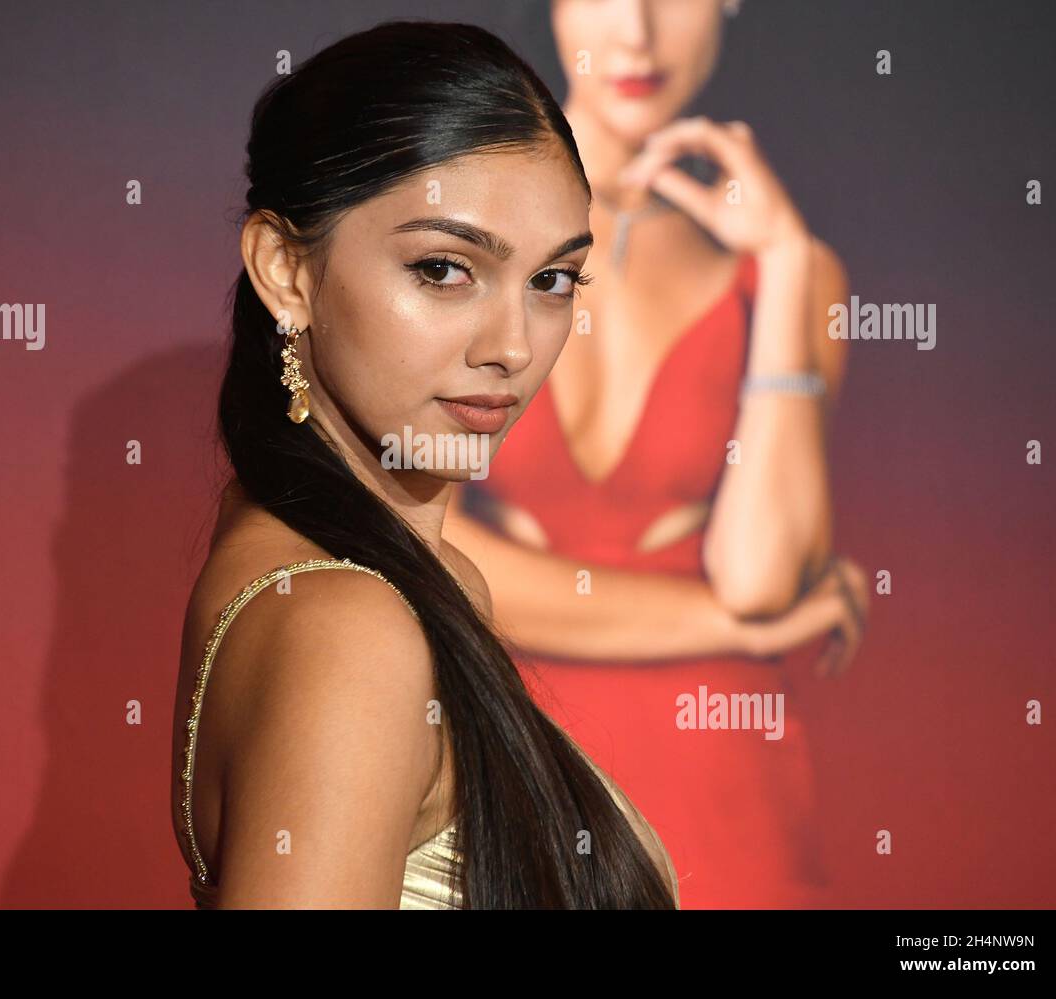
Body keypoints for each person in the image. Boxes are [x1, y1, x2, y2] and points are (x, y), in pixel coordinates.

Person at [169, 19, 681, 909]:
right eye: (445, 268)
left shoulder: (412, 586)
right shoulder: (347, 627)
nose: (513, 346)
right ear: (285, 270)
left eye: (553, 281)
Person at [443, 0, 870, 907]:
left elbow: (759, 575)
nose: (637, 33)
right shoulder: (451, 238)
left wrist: (788, 259)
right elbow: (431, 551)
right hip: (507, 751)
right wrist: (736, 627)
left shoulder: (785, 274)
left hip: (721, 785)